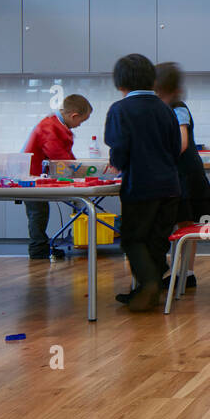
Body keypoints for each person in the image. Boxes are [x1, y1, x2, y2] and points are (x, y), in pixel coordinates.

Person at [103, 53, 181, 312]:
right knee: (157, 241)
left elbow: (119, 149)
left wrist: (118, 163)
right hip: (170, 186)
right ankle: (149, 289)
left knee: (133, 239)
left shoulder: (120, 110)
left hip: (141, 186)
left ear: (120, 84)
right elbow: (173, 148)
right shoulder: (166, 109)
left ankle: (147, 284)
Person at [155, 63, 210, 295]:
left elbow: (181, 143)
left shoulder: (178, 108)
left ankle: (186, 274)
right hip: (180, 176)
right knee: (184, 226)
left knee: (186, 226)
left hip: (184, 176)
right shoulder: (166, 107)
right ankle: (180, 273)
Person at [21, 94, 93, 259]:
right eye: (81, 121)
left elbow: (65, 157)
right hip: (31, 178)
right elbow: (61, 158)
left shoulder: (55, 124)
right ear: (73, 116)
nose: (79, 125)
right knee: (38, 213)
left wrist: (80, 171)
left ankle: (40, 248)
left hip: (37, 177)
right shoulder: (50, 127)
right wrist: (82, 173)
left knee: (39, 212)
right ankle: (38, 251)